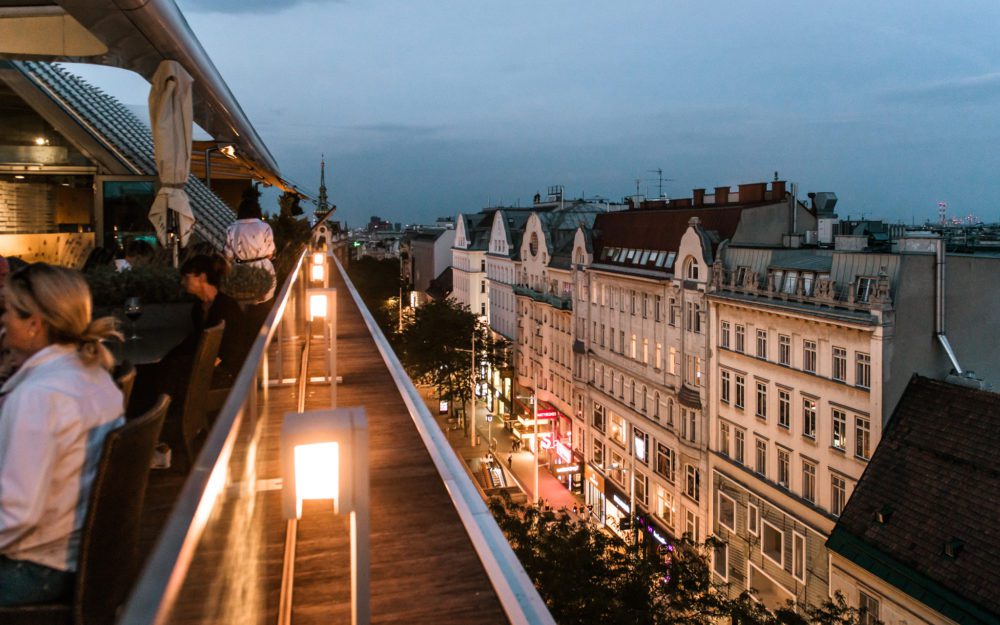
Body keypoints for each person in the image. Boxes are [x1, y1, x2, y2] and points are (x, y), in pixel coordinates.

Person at [0, 263, 123, 605]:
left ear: (34, 325)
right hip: (75, 556)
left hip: (37, 571)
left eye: (8, 310)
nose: (3, 319)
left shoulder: (38, 395)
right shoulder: (94, 377)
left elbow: (17, 513)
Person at [224, 186, 276, 323]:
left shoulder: (232, 228)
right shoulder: (265, 227)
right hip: (263, 269)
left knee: (242, 307)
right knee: (264, 306)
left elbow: (228, 255)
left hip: (240, 270)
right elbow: (270, 253)